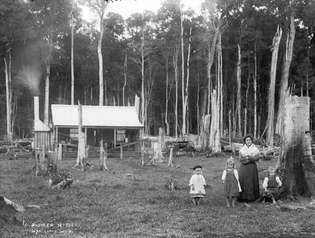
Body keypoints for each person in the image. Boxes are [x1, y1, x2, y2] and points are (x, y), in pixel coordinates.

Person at [238, 135, 260, 202]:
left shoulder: (255, 149)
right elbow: (240, 159)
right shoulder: (242, 149)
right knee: (243, 181)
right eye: (247, 140)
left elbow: (257, 158)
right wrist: (248, 158)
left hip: (252, 168)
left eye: (250, 140)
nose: (248, 141)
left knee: (251, 181)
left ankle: (252, 197)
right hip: (243, 168)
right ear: (245, 141)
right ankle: (242, 197)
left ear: (252, 141)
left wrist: (249, 158)